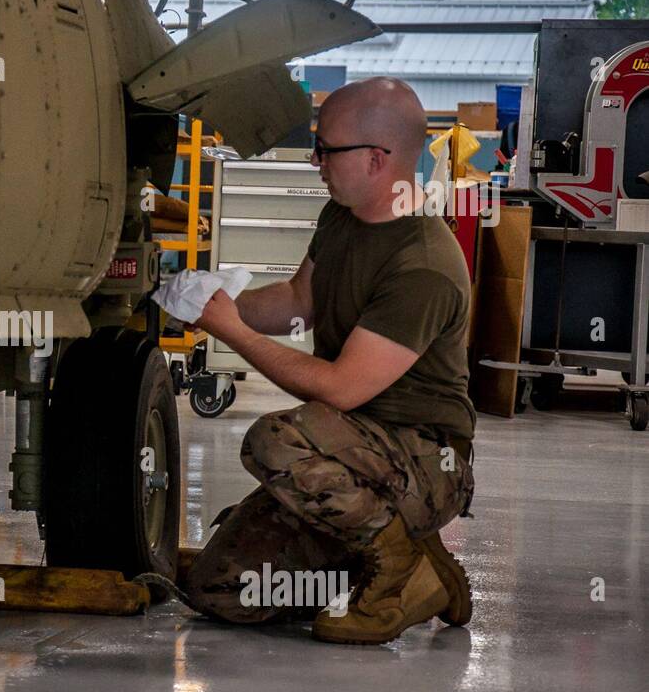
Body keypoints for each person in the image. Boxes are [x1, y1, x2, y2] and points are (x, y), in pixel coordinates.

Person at [183, 76, 476, 645]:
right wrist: (218, 306)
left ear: (375, 159)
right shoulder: (343, 216)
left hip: (422, 459)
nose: (315, 159)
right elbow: (299, 302)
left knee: (274, 440)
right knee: (222, 590)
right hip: (351, 450)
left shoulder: (423, 264)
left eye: (326, 148)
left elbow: (341, 389)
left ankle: (398, 570)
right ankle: (412, 567)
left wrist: (233, 335)